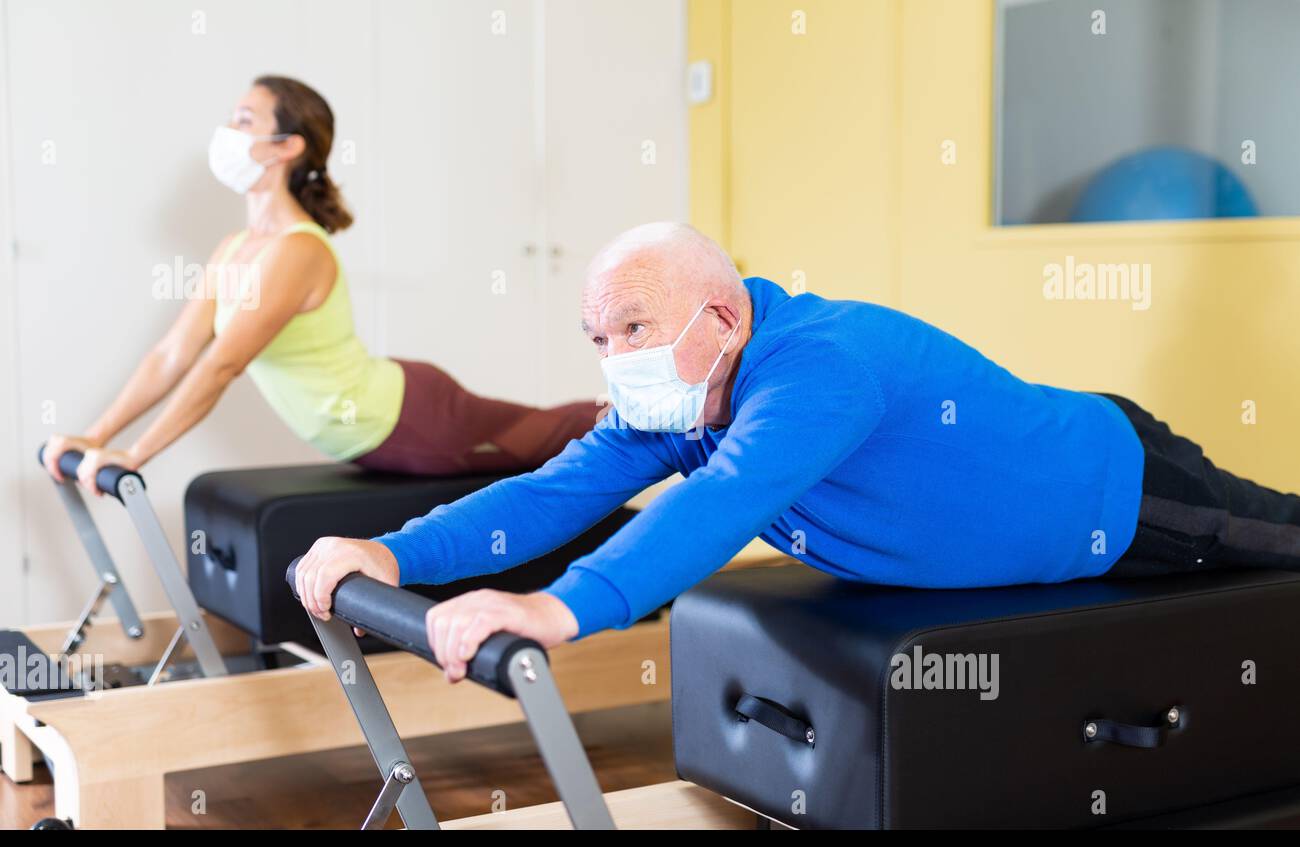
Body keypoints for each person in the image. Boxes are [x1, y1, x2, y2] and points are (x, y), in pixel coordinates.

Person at [293, 222, 1300, 682]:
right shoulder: (684, 389)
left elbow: (723, 502)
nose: (614, 360)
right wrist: (393, 555)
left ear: (721, 315)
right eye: (598, 338)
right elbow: (560, 488)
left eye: (634, 329)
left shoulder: (818, 365)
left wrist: (552, 607)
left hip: (1119, 487)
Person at [42, 75, 599, 494]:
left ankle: (668, 411)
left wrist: (136, 455)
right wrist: (95, 437)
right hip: (381, 417)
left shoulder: (300, 250)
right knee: (548, 436)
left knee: (557, 435)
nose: (228, 132)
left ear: (287, 146)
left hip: (409, 418)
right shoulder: (234, 249)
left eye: (243, 120)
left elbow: (221, 366)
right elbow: (173, 354)